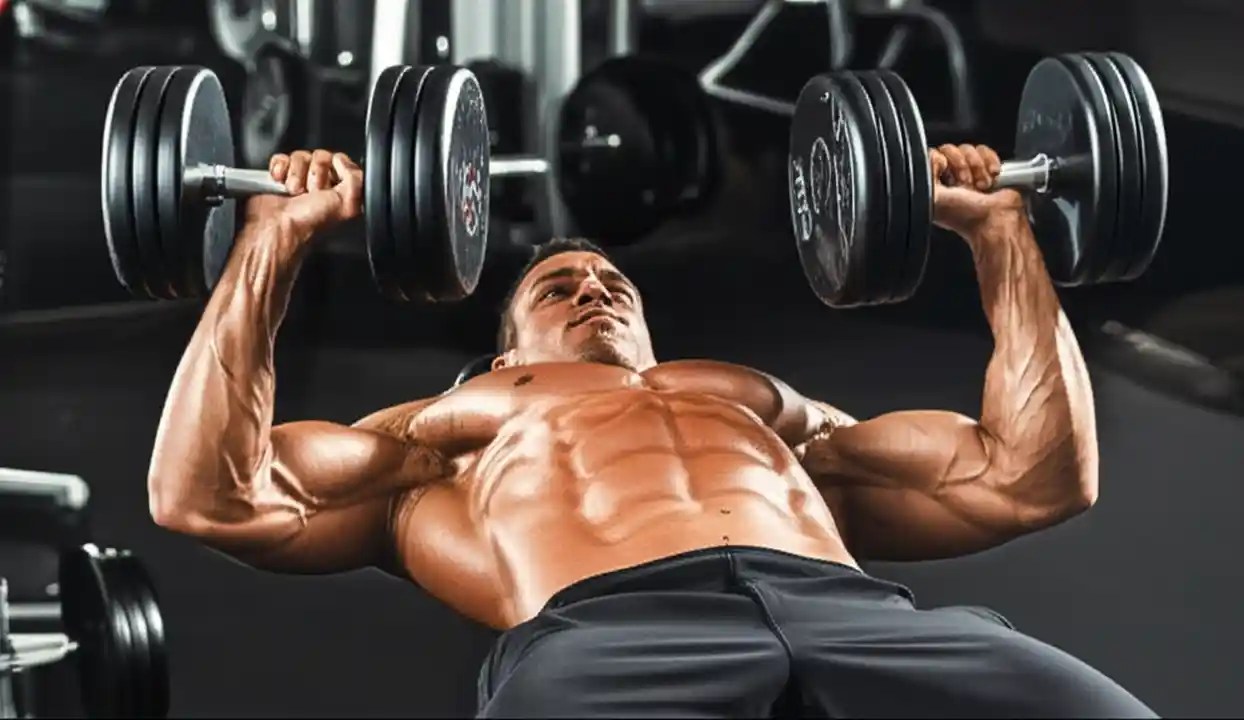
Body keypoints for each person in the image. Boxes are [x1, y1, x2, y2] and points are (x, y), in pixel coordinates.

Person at [147, 143, 1156, 718]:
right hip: (615, 636)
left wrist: (999, 236)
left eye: (610, 284)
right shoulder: (440, 438)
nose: (592, 289)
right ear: (506, 357)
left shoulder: (759, 408)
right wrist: (270, 243)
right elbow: (208, 493)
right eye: (556, 287)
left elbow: (1030, 476)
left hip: (854, 614)